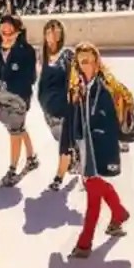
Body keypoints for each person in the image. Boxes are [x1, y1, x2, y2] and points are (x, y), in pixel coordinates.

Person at [64, 41, 130, 258]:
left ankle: (85, 242)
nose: (85, 66)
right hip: (85, 148)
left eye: (89, 61)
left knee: (93, 193)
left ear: (96, 62)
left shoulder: (105, 86)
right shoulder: (78, 86)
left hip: (100, 147)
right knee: (97, 185)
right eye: (81, 62)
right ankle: (119, 213)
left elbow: (112, 118)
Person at [0, 15, 39, 187]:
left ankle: (12, 170)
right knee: (18, 128)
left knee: (14, 132)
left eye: (10, 32)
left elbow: (30, 78)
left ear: (18, 32)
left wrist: (10, 87)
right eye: (3, 32)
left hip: (19, 97)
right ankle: (31, 158)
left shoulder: (28, 51)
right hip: (0, 95)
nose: (6, 36)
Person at [37, 19, 79, 191]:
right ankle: (73, 156)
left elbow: (75, 79)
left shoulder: (67, 54)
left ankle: (59, 176)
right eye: (49, 31)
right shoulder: (43, 54)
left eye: (56, 31)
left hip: (65, 107)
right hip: (48, 108)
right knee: (60, 138)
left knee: (64, 142)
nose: (52, 35)